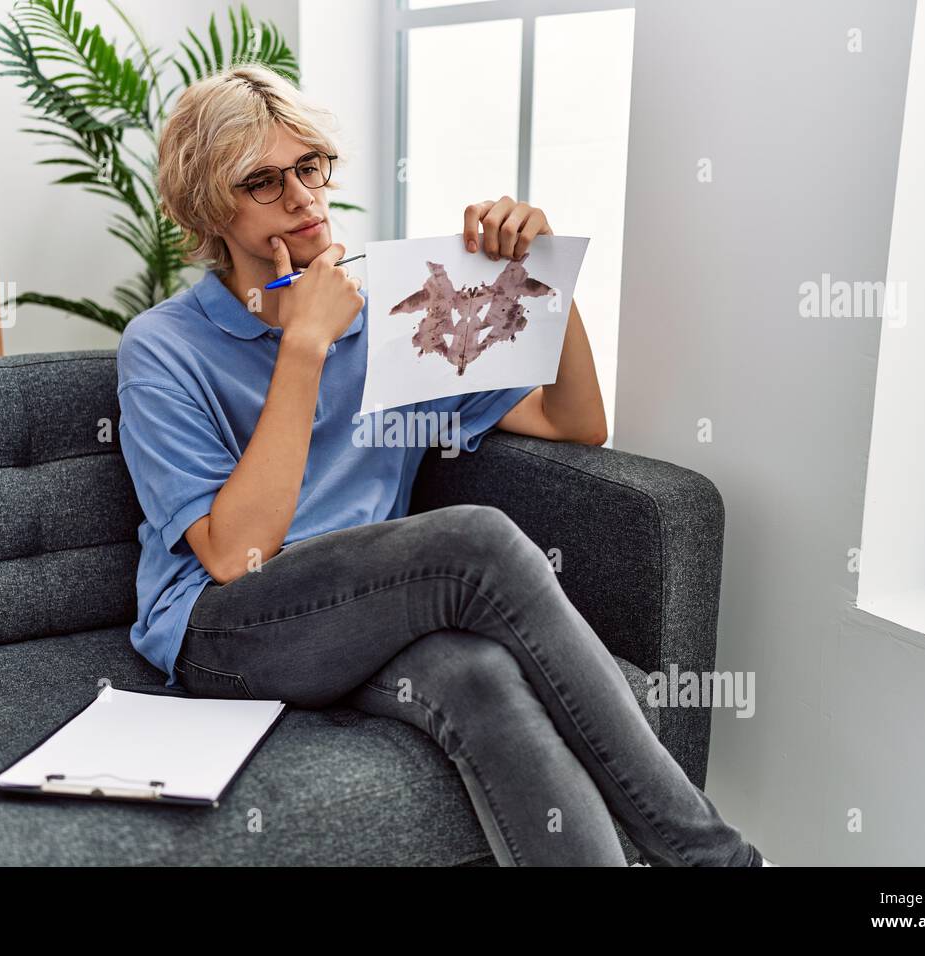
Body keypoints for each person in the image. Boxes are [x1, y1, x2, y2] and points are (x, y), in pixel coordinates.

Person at [116, 64, 773, 867]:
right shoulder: (163, 346)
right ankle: (715, 858)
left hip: (366, 615)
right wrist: (304, 344)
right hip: (226, 629)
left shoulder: (392, 322)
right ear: (207, 207)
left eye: (309, 166)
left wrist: (540, 275)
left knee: (482, 678)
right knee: (478, 542)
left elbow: (576, 423)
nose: (301, 198)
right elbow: (232, 553)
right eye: (261, 181)